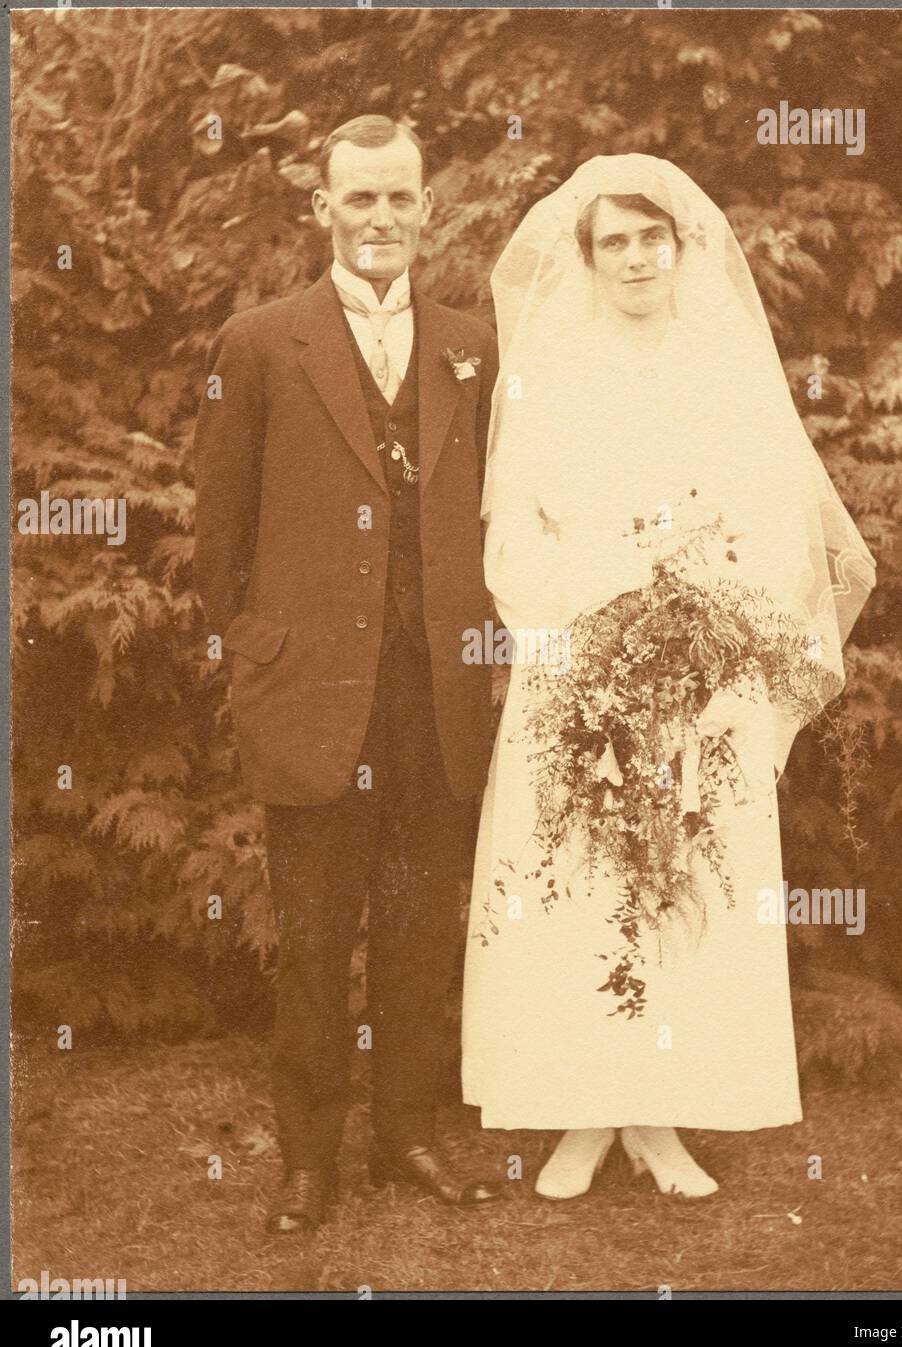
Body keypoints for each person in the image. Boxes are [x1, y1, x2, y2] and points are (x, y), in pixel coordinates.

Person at [462, 154, 876, 1200]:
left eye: (653, 237)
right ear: (588, 258)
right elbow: (516, 526)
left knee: (688, 878)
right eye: (615, 241)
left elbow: (772, 527)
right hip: (578, 659)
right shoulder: (547, 371)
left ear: (681, 248)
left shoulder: (724, 371)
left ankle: (658, 1116)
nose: (636, 256)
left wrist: (703, 641)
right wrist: (587, 627)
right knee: (579, 885)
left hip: (702, 677)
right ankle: (583, 1114)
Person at [193, 115, 501, 1233]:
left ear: (429, 210)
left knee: (423, 927)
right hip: (313, 698)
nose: (380, 219)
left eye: (399, 199)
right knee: (317, 940)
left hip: (437, 696)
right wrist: (260, 658)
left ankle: (408, 1133)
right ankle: (308, 1159)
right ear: (321, 207)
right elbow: (216, 535)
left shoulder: (475, 342)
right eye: (358, 199)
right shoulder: (260, 341)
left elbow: (501, 512)